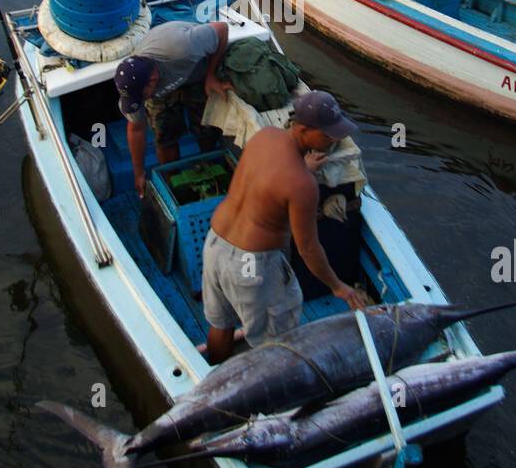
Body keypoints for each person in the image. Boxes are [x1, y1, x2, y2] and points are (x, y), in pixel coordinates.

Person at [202, 90, 367, 362]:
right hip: (251, 266)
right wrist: (338, 286)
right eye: (328, 135)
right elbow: (308, 249)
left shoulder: (264, 137)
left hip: (216, 245)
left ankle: (215, 376)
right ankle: (268, 400)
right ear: (302, 129)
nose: (334, 140)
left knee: (221, 325)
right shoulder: (302, 185)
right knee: (275, 343)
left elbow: (271, 177)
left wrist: (303, 168)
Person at [115, 21, 232, 197]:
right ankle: (173, 182)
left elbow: (222, 29)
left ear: (153, 80)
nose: (138, 102)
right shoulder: (132, 89)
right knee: (164, 135)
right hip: (162, 92)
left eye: (141, 97)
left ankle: (207, 164)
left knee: (206, 128)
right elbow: (136, 128)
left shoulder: (183, 46)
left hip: (196, 72)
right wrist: (139, 173)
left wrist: (211, 75)